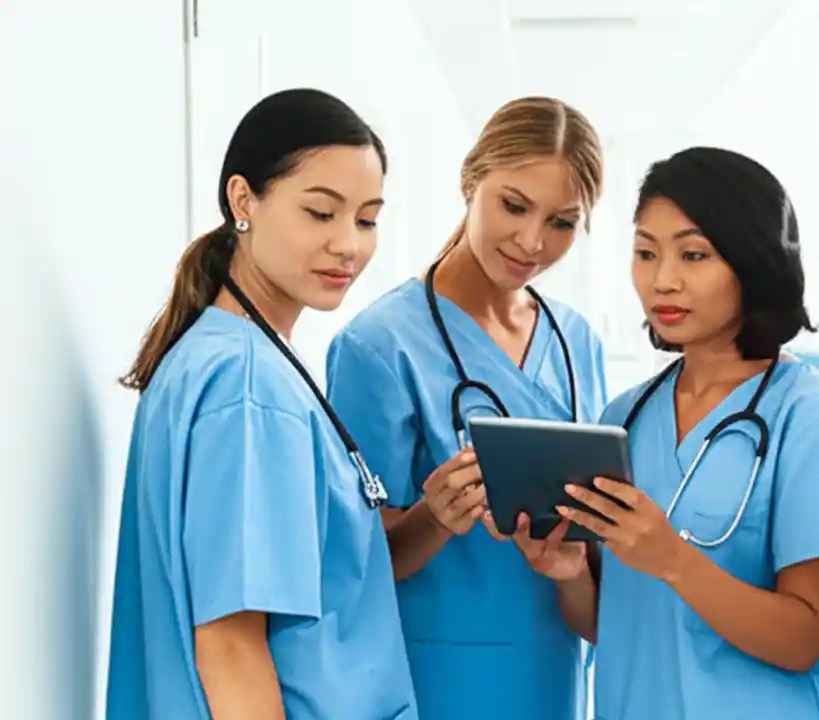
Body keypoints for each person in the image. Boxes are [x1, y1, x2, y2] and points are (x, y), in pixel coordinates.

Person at [107, 89, 417, 719]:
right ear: (243, 200)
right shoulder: (248, 386)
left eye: (366, 219)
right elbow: (229, 644)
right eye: (320, 213)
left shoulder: (220, 356)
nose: (348, 246)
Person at [548, 146, 819, 719]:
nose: (663, 280)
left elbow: (802, 638)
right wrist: (571, 573)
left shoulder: (817, 420)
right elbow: (617, 626)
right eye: (645, 253)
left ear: (752, 262)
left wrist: (673, 559)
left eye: (694, 254)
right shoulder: (623, 419)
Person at [324, 96, 607, 720]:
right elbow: (351, 563)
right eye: (514, 205)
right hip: (439, 679)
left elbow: (593, 540)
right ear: (470, 182)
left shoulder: (575, 339)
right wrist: (435, 516)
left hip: (554, 674)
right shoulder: (379, 347)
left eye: (561, 222)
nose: (532, 241)